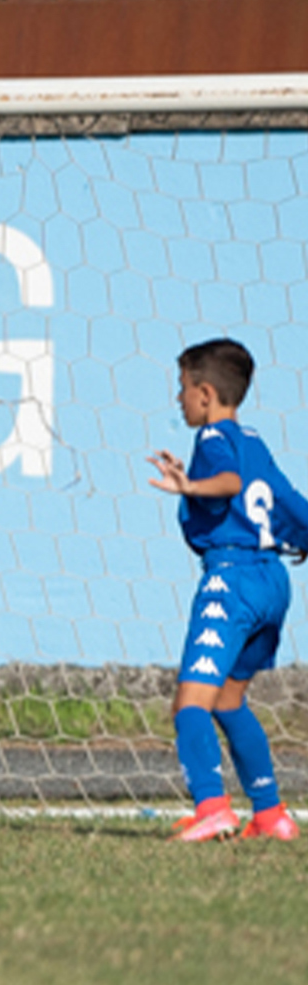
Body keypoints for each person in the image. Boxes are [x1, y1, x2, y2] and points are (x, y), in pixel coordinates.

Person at [146, 338, 308, 842]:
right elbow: (287, 499)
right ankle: (270, 814)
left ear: (207, 393)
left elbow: (231, 482)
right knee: (229, 700)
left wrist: (191, 486)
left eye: (183, 389)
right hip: (272, 581)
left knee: (190, 702)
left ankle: (213, 808)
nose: (179, 400)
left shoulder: (214, 438)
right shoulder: (255, 440)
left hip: (231, 578)